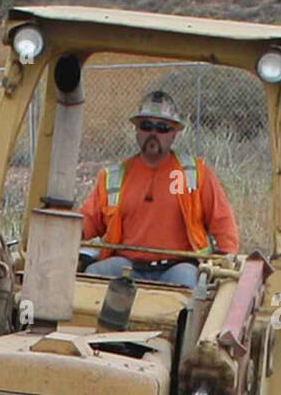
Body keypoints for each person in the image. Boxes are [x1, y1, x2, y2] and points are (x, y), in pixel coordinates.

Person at [79, 90, 239, 289]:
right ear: (137, 130)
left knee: (189, 290)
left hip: (178, 266)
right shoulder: (114, 177)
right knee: (92, 276)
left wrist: (226, 259)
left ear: (174, 134)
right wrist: (64, 232)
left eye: (163, 128)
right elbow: (87, 222)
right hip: (127, 265)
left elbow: (223, 222)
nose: (153, 133)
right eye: (146, 126)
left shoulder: (194, 173)